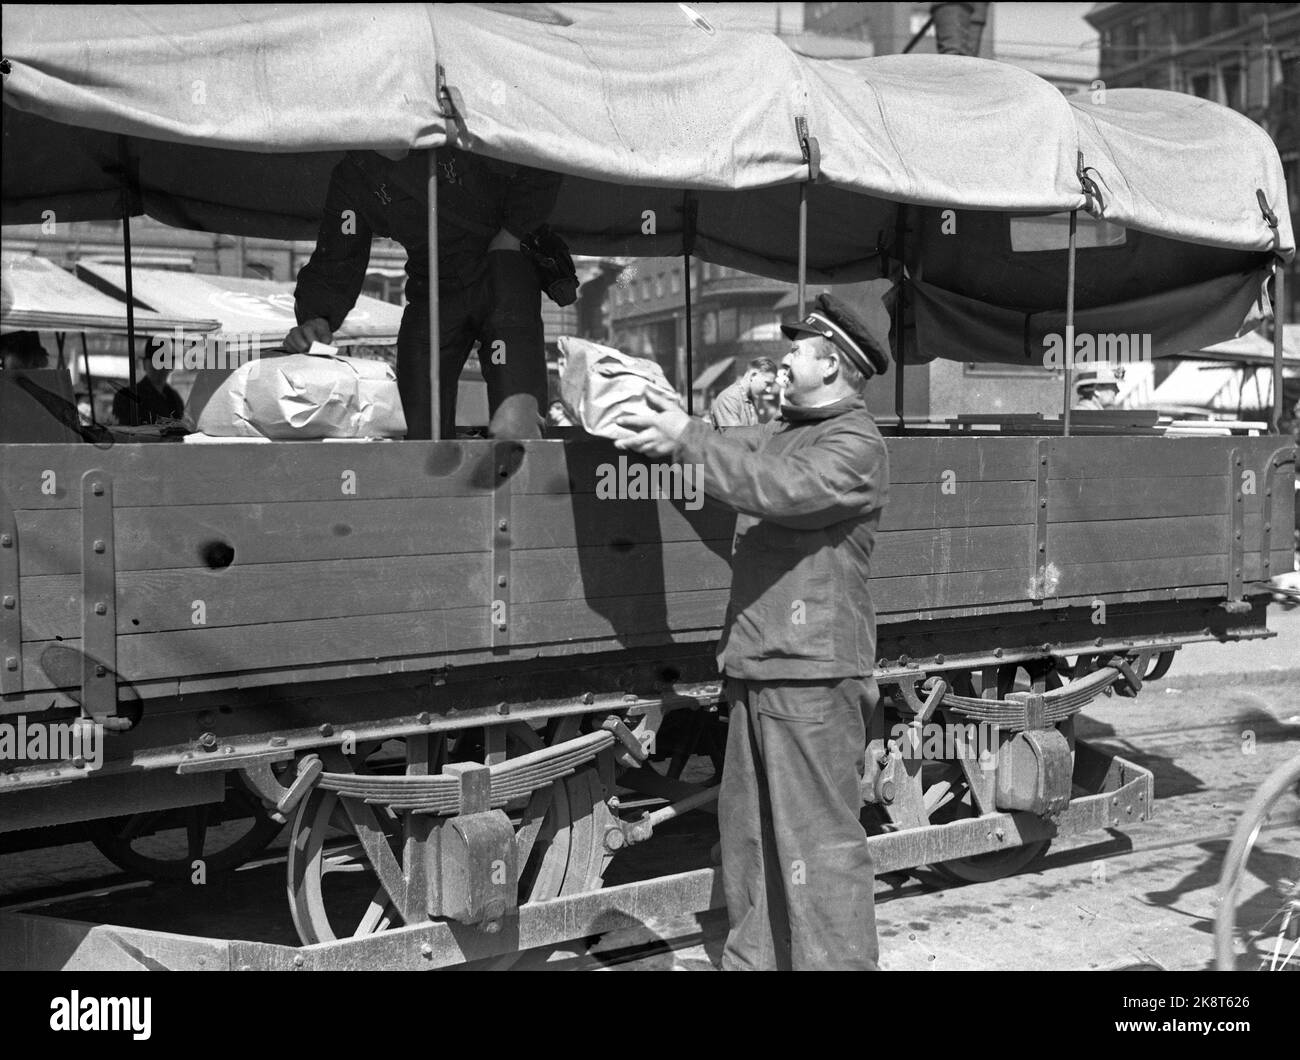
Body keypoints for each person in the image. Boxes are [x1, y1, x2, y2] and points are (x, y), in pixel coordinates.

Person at [616, 292, 891, 970]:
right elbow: (733, 451)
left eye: (797, 349)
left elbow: (775, 487)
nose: (783, 358)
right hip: (760, 668)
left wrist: (687, 437)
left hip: (813, 677)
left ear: (832, 365)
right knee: (749, 840)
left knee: (818, 848)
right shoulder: (786, 432)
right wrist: (665, 432)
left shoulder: (854, 444)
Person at [285, 146, 571, 440]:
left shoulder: (460, 120)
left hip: (500, 272)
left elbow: (543, 150)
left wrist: (511, 236)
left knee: (515, 424)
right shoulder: (355, 175)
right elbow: (339, 250)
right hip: (433, 286)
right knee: (417, 422)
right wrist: (316, 316)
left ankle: (521, 480)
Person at [112, 351, 184, 425]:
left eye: (164, 361)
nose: (159, 367)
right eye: (155, 361)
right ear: (144, 364)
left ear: (172, 365)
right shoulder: (126, 396)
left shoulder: (175, 398)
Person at [708, 357, 777, 428]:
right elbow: (734, 436)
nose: (768, 390)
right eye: (767, 383)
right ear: (753, 376)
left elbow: (755, 432)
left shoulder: (749, 399)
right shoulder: (730, 398)